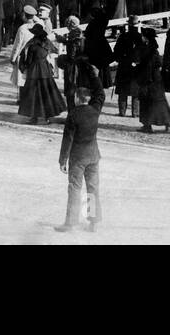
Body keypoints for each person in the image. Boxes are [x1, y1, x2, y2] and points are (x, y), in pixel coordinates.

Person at [56, 84, 105, 232]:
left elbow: (67, 139)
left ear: (77, 98)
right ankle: (93, 223)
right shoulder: (95, 111)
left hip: (78, 157)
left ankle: (70, 223)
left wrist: (62, 160)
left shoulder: (73, 114)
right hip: (94, 155)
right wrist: (94, 74)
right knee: (93, 188)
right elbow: (101, 94)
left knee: (75, 189)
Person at [17, 24, 66, 124]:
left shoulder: (32, 45)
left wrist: (24, 67)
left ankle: (34, 117)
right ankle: (47, 116)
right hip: (45, 69)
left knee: (33, 94)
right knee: (46, 92)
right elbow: (55, 51)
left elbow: (29, 60)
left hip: (34, 70)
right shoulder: (47, 42)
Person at [135, 26, 170, 133]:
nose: (141, 37)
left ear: (146, 38)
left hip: (149, 80)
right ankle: (169, 121)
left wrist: (138, 68)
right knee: (158, 102)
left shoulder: (147, 50)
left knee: (147, 102)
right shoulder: (153, 49)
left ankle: (148, 125)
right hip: (156, 80)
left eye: (143, 36)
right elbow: (158, 63)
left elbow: (147, 66)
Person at [112, 15, 143, 117]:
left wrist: (120, 59)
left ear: (128, 25)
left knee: (122, 90)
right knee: (136, 91)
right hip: (137, 67)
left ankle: (122, 112)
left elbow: (116, 52)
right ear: (138, 25)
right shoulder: (141, 37)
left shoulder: (122, 36)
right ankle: (135, 112)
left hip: (124, 66)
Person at [7, 4, 37, 93]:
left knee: (21, 78)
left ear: (24, 15)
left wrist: (13, 58)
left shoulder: (22, 28)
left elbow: (17, 45)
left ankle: (22, 98)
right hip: (33, 56)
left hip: (22, 57)